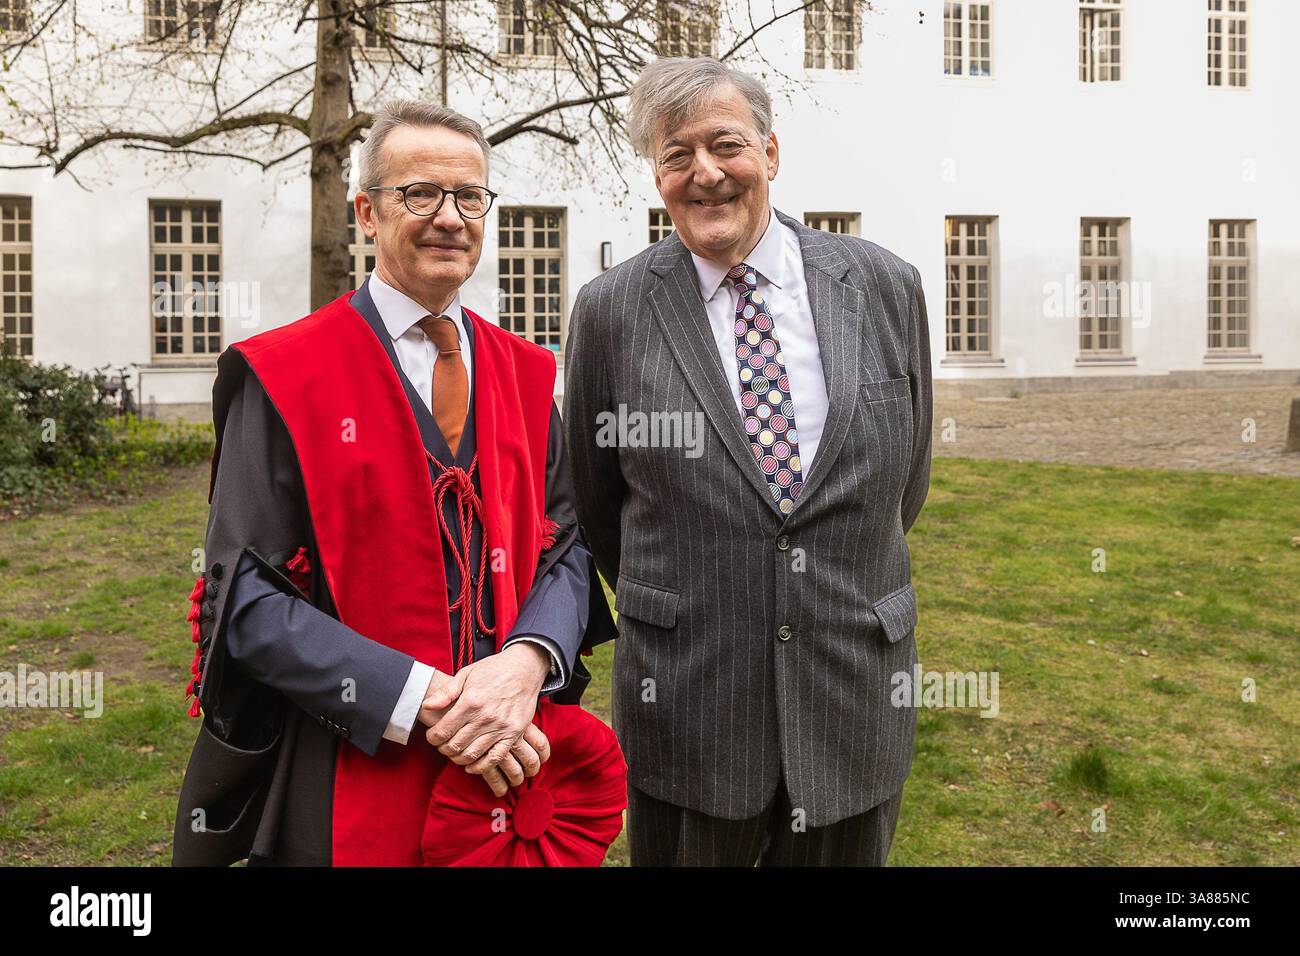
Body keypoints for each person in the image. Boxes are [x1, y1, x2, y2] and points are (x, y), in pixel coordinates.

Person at [173, 101, 615, 867]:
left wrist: (525, 664)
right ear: (367, 213)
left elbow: (568, 546)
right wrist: (425, 701)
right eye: (420, 194)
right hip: (347, 765)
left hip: (507, 761)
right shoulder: (283, 376)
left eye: (468, 196)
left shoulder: (526, 372)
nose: (449, 217)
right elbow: (243, 599)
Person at [564, 57, 934, 866]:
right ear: (656, 175)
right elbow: (598, 509)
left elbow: (905, 485)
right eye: (675, 155)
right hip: (690, 709)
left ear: (770, 151)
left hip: (853, 698)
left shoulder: (882, 285)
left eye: (725, 145)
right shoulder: (610, 311)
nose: (705, 174)